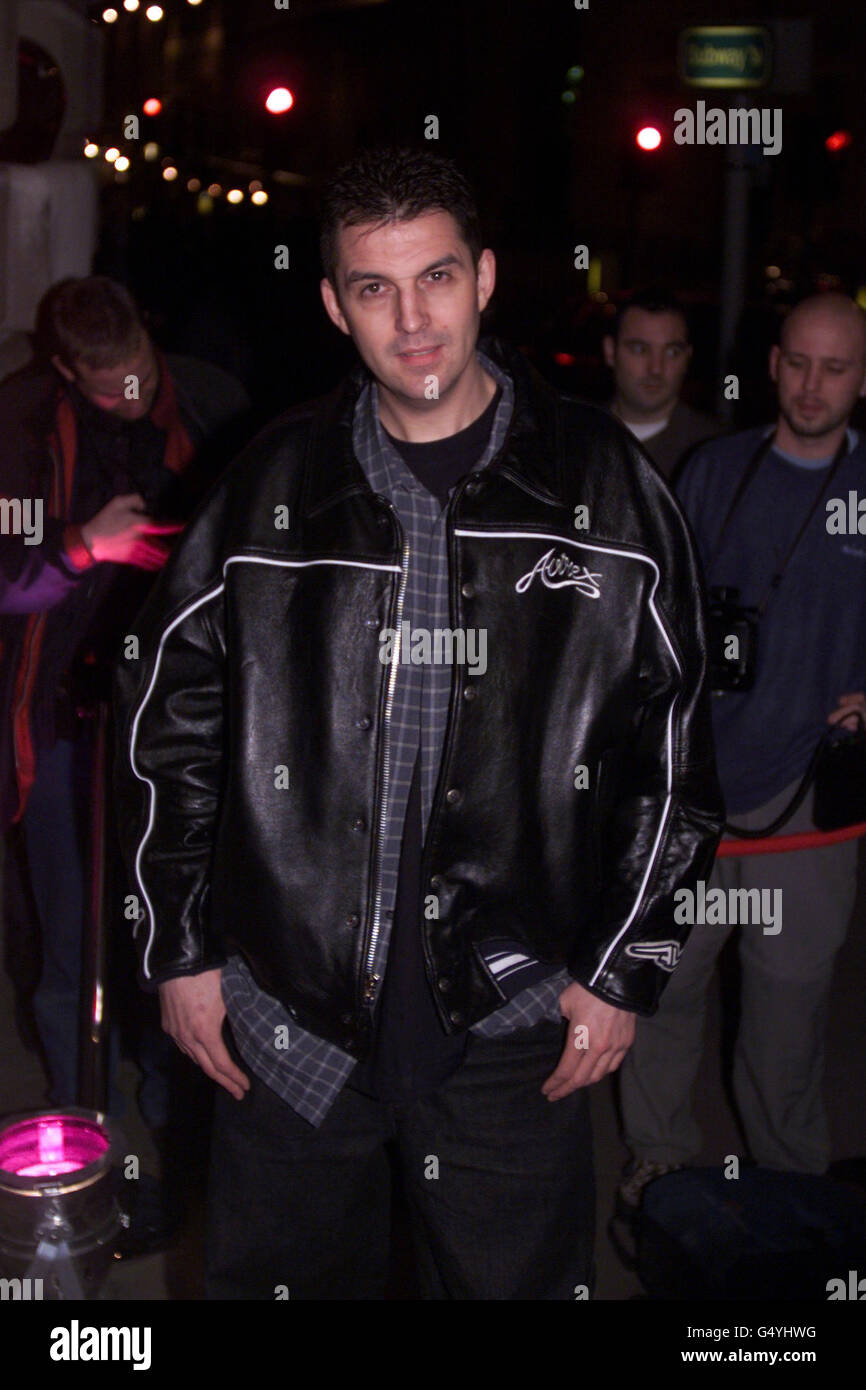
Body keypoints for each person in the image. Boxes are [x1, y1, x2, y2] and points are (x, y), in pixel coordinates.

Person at [112, 146, 724, 1300]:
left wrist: (620, 966)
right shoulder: (272, 480)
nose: (413, 321)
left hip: (511, 1014)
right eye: (376, 289)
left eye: (436, 277)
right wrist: (178, 946)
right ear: (333, 303)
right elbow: (167, 717)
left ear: (485, 277)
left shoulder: (603, 486)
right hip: (289, 1015)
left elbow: (673, 749)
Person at [617, 292, 866, 1230]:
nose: (812, 385)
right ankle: (658, 1172)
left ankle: (794, 1191)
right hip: (699, 796)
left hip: (811, 811)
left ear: (863, 379)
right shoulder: (714, 470)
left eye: (835, 368)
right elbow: (650, 613)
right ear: (772, 365)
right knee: (665, 1001)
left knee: (788, 1022)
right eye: (798, 363)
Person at [0, 275, 251, 1120]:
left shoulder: (211, 402)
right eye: (111, 387)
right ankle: (83, 1131)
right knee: (71, 943)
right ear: (67, 372)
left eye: (139, 372)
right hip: (63, 729)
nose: (132, 396)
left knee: (170, 937)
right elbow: (5, 572)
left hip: (181, 730)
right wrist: (83, 547)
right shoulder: (23, 417)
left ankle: (170, 1127)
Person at [602, 287, 721, 483]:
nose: (656, 368)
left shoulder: (715, 452)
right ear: (610, 351)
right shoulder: (577, 441)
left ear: (687, 358)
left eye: (672, 352)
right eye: (640, 349)